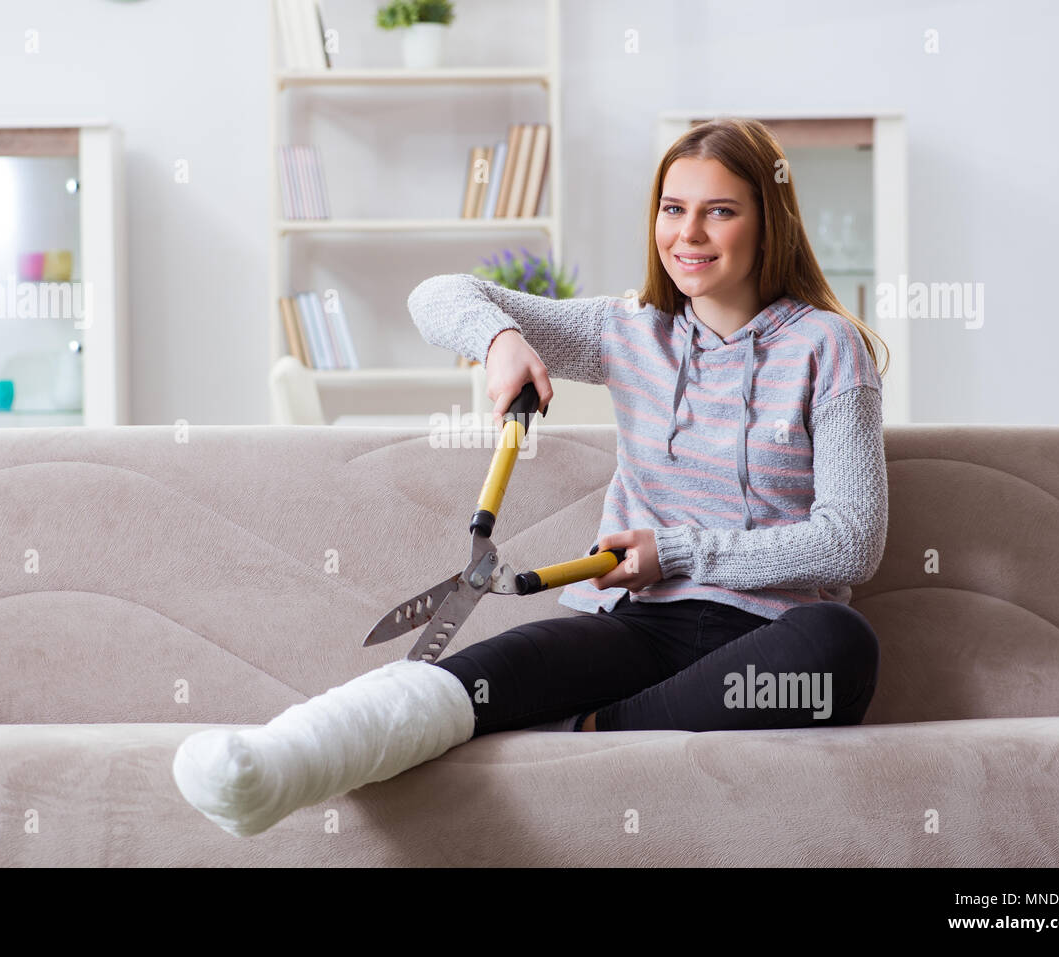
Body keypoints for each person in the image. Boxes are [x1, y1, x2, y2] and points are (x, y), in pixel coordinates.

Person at [172, 117, 891, 837]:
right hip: (637, 628)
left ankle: (593, 730)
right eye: (673, 209)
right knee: (472, 677)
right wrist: (501, 340)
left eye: (720, 211)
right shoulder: (629, 331)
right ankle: (273, 762)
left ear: (771, 222)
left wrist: (673, 550)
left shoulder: (828, 346)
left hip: (770, 630)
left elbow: (851, 541)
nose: (689, 234)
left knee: (841, 646)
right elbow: (436, 294)